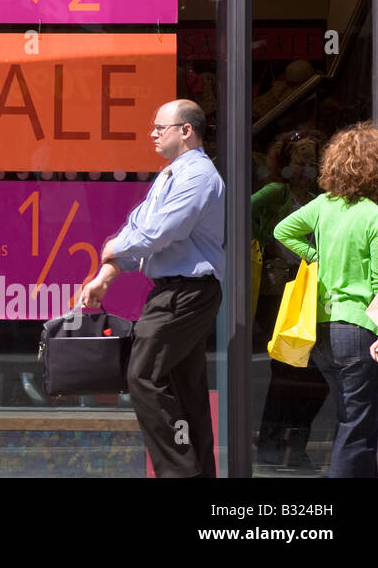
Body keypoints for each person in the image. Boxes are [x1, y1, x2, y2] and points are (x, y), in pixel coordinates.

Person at [79, 99, 224, 478]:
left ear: (186, 131)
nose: (153, 134)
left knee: (142, 376)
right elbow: (139, 225)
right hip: (174, 290)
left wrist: (115, 250)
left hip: (187, 291)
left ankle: (179, 472)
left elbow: (161, 231)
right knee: (184, 386)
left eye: (161, 127)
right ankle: (198, 471)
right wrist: (108, 272)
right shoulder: (170, 175)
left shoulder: (198, 177)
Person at [272, 123, 378, 477]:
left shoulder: (323, 205)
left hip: (321, 329)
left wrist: (316, 258)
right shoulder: (375, 217)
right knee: (357, 429)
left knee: (349, 420)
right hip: (359, 330)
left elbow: (282, 230)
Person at [250, 130, 327, 467]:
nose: (305, 168)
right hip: (279, 288)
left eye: (312, 162)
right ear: (285, 162)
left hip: (308, 286)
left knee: (311, 373)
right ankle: (270, 443)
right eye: (300, 160)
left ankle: (295, 443)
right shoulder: (274, 192)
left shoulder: (317, 196)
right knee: (285, 367)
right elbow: (242, 217)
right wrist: (268, 242)